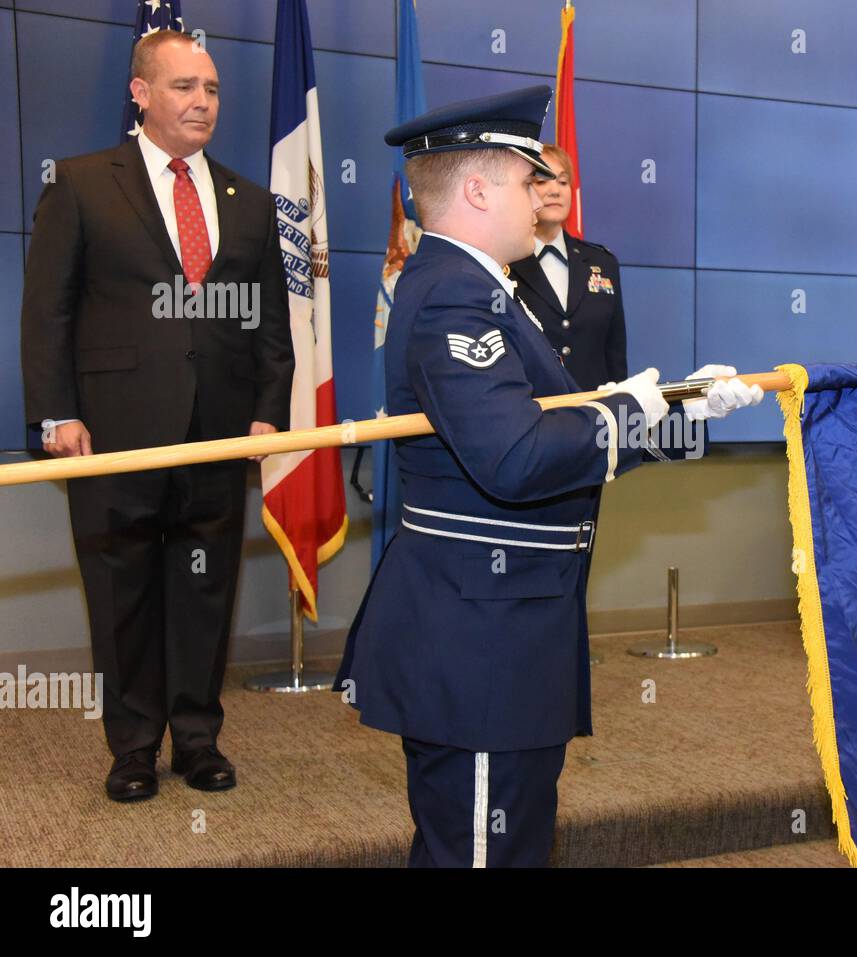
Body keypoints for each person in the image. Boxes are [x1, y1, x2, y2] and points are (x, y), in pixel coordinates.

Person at [334, 84, 763, 867]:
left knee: (516, 838)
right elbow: (519, 455)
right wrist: (633, 413)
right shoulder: (451, 299)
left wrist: (681, 410)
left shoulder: (483, 289)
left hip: (509, 621)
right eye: (526, 180)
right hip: (477, 637)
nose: (543, 197)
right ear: (475, 190)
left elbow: (563, 421)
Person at [19, 30, 294, 802]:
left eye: (209, 89)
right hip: (112, 433)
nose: (202, 101)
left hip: (219, 431)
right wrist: (54, 414)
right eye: (183, 87)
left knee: (206, 587)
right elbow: (48, 313)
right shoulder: (79, 184)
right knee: (123, 589)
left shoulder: (249, 200)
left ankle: (198, 739)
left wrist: (271, 415)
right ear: (141, 93)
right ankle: (134, 746)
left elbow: (271, 322)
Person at [507, 143, 625, 391]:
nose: (555, 191)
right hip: (535, 415)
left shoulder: (602, 263)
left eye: (562, 182)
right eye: (542, 181)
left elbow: (614, 356)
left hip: (597, 414)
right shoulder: (504, 263)